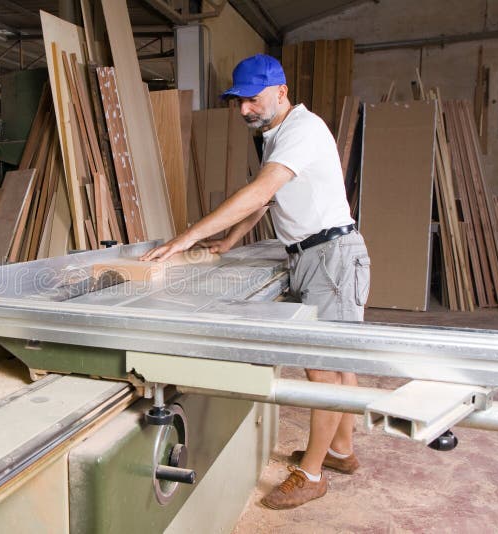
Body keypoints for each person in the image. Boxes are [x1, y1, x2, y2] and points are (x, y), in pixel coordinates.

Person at [140, 54, 371, 509]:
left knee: (323, 369)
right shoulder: (276, 135)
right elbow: (267, 202)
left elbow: (260, 191)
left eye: (252, 99)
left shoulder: (302, 129)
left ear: (281, 91)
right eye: (238, 101)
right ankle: (340, 451)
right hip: (313, 255)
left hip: (331, 257)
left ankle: (312, 475)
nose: (244, 109)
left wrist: (187, 237)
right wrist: (228, 240)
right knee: (337, 363)